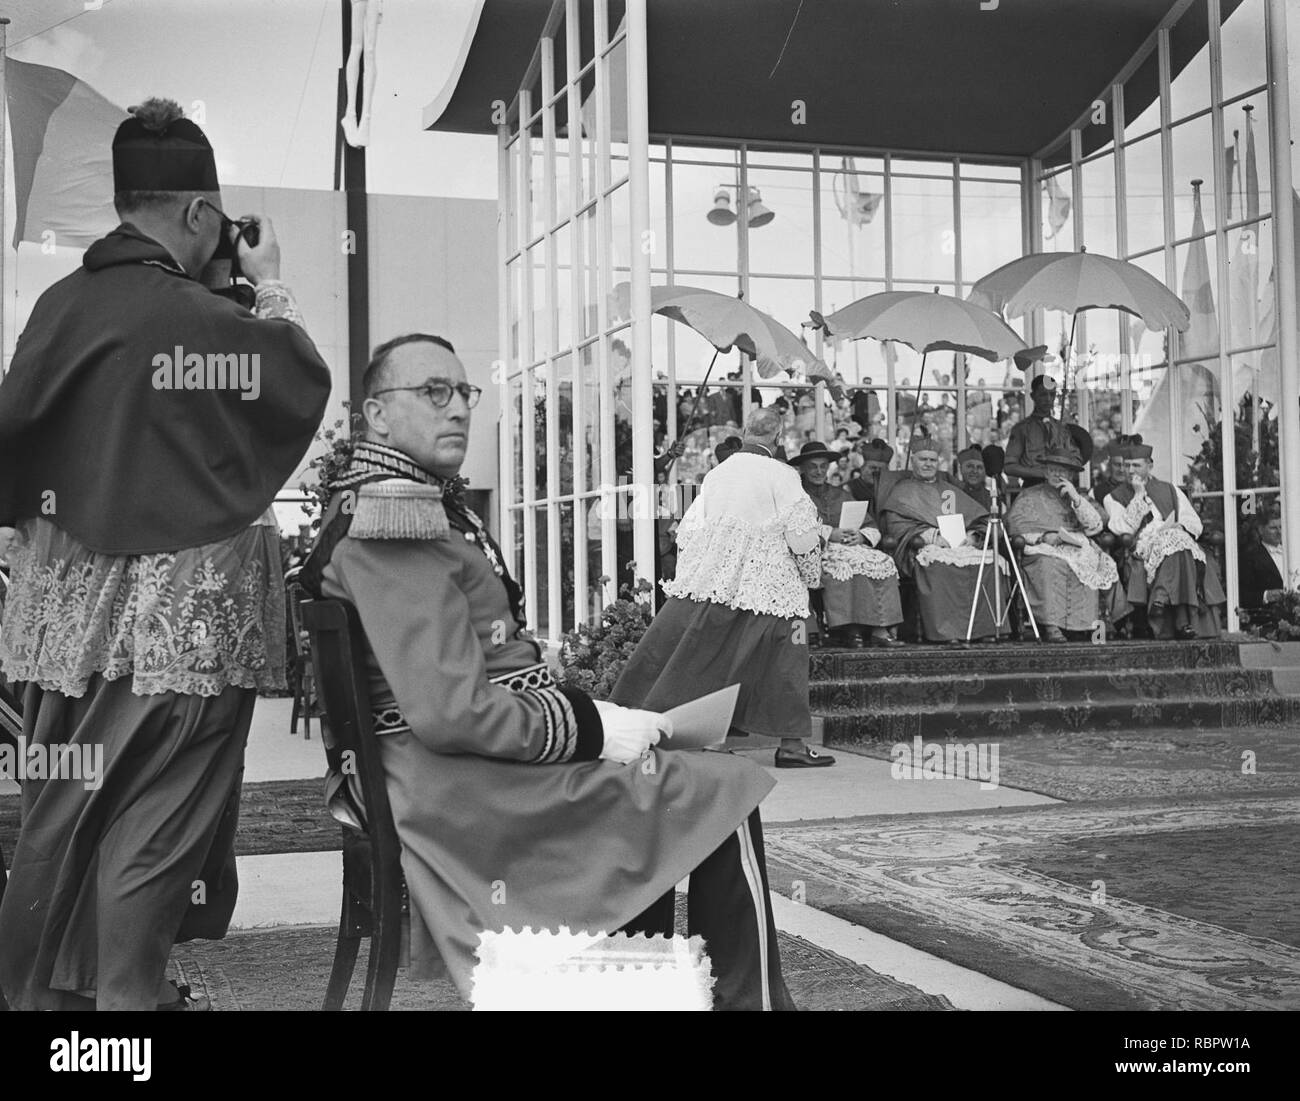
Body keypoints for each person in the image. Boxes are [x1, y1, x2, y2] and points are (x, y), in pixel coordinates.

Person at [304, 335, 795, 1009]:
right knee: (727, 787)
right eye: (432, 392)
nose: (456, 410)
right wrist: (593, 728)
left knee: (671, 776)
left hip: (466, 769)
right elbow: (452, 713)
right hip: (459, 785)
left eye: (463, 393)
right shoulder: (396, 519)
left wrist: (596, 722)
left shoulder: (412, 507)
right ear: (376, 415)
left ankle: (634, 992)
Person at [0, 98, 331, 1010]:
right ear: (197, 215)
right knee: (150, 844)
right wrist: (266, 283)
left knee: (60, 825)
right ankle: (121, 1030)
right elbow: (292, 378)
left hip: (60, 635)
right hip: (178, 634)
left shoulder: (61, 305)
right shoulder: (195, 313)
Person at [611, 408, 834, 768]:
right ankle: (791, 746)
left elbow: (689, 531)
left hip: (715, 584)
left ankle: (698, 738)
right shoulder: (783, 474)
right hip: (772, 589)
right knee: (785, 667)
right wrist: (812, 577)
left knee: (710, 661)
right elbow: (802, 535)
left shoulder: (717, 473)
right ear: (778, 439)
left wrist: (701, 575)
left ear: (745, 431)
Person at [877, 439, 1002, 643]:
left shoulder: (949, 489)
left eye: (933, 460)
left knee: (988, 563)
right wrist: (931, 536)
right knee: (940, 565)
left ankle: (982, 630)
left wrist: (973, 537)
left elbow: (980, 518)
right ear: (913, 461)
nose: (928, 464)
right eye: (923, 459)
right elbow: (895, 525)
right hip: (922, 547)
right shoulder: (903, 490)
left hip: (959, 545)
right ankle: (949, 632)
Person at [1103, 440, 1227, 639]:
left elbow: (1192, 520)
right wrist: (1137, 495)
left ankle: (1162, 597)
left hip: (1172, 538)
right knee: (1177, 544)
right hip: (1142, 543)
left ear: (1150, 466)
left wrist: (1182, 526)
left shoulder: (1170, 489)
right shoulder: (1113, 497)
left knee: (1177, 540)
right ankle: (1181, 619)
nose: (1130, 470)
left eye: (1136, 465)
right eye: (1127, 465)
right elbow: (1122, 528)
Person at [790, 442, 903, 648]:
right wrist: (829, 533)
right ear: (803, 469)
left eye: (823, 466)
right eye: (813, 466)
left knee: (881, 561)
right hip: (817, 548)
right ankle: (850, 628)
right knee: (843, 566)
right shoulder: (796, 495)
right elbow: (794, 527)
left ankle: (880, 628)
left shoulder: (840, 494)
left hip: (850, 546)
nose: (818, 471)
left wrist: (860, 536)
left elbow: (870, 525)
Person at [1006, 452, 1125, 642]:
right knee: (1049, 564)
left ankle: (1094, 628)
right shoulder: (1029, 495)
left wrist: (1076, 499)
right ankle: (1052, 627)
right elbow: (1015, 529)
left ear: (1071, 475)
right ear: (1045, 472)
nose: (1057, 474)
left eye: (1063, 471)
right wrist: (1044, 536)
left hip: (1077, 546)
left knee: (1094, 563)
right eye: (1053, 469)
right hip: (1043, 547)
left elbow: (1095, 526)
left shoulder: (1079, 495)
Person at [1004, 375, 1085, 486]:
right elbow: (1009, 467)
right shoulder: (1021, 429)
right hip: (1033, 487)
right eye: (1043, 394)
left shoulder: (1063, 429)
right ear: (1033, 396)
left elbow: (1077, 460)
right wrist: (1039, 473)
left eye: (1052, 394)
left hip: (1060, 487)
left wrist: (1064, 466)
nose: (1048, 399)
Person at [1237, 509, 1286, 610]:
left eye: (1281, 527)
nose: (1279, 532)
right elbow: (1242, 595)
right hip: (1268, 617)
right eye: (1273, 528)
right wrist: (1266, 596)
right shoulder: (1250, 557)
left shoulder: (1293, 552)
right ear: (1261, 530)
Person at [954, 445, 991, 511]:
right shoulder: (952, 495)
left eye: (979, 467)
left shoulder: (991, 498)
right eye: (970, 466)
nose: (975, 471)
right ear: (961, 469)